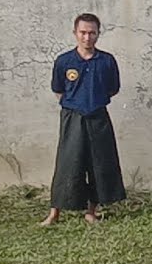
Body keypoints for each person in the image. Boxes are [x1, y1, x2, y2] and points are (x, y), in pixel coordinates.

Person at [40, 13, 127, 226]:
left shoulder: (106, 61)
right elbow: (58, 89)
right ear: (75, 33)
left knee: (99, 163)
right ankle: (54, 213)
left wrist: (92, 101)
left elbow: (112, 88)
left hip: (98, 116)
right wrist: (75, 104)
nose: (87, 37)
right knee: (67, 163)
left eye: (92, 33)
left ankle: (91, 211)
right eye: (83, 33)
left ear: (98, 34)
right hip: (72, 117)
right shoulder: (64, 61)